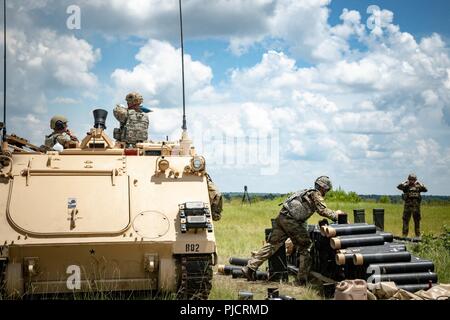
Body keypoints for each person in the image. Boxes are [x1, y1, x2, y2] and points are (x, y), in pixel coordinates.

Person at [242, 176, 345, 285]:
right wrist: (338, 216)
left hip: (282, 217)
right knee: (305, 247)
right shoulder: (315, 194)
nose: (326, 192)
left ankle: (249, 268)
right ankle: (301, 281)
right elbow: (322, 210)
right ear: (323, 187)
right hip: (292, 221)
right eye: (327, 189)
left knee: (272, 245)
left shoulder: (305, 192)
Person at [397, 173, 428, 238]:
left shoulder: (418, 187)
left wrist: (420, 184)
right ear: (408, 179)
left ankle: (418, 236)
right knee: (405, 222)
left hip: (416, 208)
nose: (412, 181)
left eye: (413, 179)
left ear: (415, 180)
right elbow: (399, 187)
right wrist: (404, 182)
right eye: (410, 179)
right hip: (407, 208)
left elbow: (425, 189)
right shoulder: (406, 186)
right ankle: (404, 236)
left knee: (417, 223)